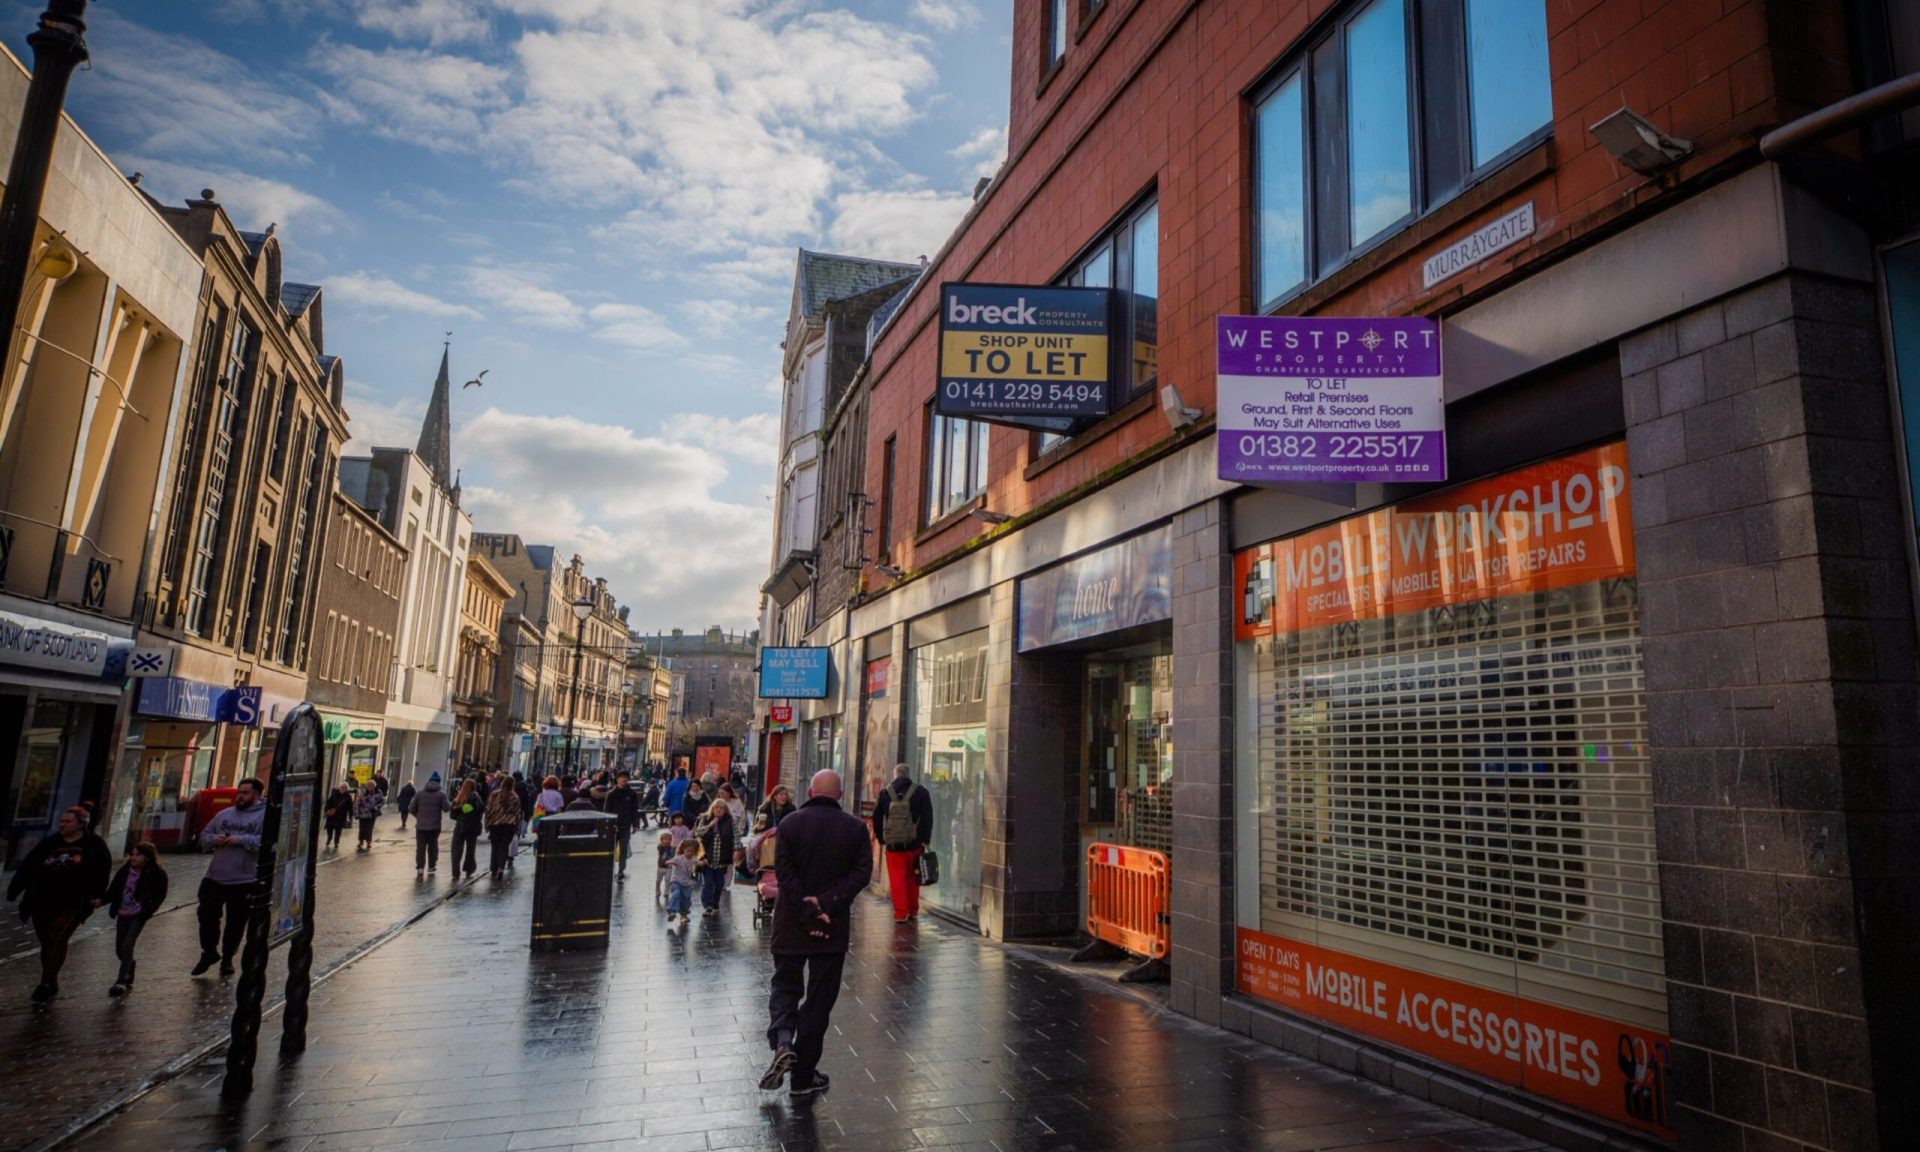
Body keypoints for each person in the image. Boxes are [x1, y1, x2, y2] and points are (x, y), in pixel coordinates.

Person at [760, 770, 872, 1100]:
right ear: (840, 794)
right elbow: (861, 874)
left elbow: (784, 873)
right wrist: (826, 903)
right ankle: (803, 1076)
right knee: (819, 1000)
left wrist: (806, 907)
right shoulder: (855, 828)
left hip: (791, 922)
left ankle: (782, 1042)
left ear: (810, 790)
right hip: (831, 926)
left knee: (785, 985)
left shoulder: (790, 824)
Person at [6, 806, 112, 1002]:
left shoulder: (93, 845)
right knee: (47, 941)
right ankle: (51, 979)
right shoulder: (50, 843)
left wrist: (97, 896)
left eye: (67, 822)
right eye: (61, 821)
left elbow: (102, 871)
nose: (62, 825)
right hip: (42, 900)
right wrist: (15, 889)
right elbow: (28, 866)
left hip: (71, 902)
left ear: (81, 824)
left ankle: (46, 982)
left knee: (57, 938)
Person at [194, 777, 266, 977]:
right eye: (239, 792)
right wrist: (213, 840)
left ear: (257, 794)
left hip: (244, 879)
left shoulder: (265, 816)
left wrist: (240, 839)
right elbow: (204, 837)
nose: (240, 797)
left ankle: (227, 958)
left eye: (246, 793)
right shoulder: (224, 814)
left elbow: (268, 842)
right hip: (215, 876)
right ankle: (209, 951)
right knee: (206, 915)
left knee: (236, 922)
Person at [870, 764, 933, 923]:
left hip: (893, 845)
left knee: (897, 878)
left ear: (895, 775)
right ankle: (913, 910)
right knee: (913, 877)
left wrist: (881, 838)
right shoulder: (921, 792)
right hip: (915, 843)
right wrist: (925, 839)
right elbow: (927, 818)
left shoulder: (885, 793)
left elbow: (876, 817)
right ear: (908, 775)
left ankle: (900, 913)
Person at [104, 842, 168, 996]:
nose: (133, 858)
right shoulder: (124, 871)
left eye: (138, 855)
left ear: (146, 857)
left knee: (127, 944)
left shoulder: (156, 873)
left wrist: (149, 909)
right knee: (119, 948)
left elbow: (160, 893)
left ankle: (121, 980)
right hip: (123, 911)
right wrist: (102, 901)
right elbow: (114, 890)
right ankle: (129, 964)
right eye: (132, 854)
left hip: (139, 913)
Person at [694, 800, 735, 917]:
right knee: (708, 883)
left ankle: (715, 903)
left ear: (725, 810)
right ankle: (708, 906)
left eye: (721, 808)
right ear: (712, 809)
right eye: (716, 808)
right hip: (707, 858)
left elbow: (735, 837)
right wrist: (710, 825)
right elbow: (698, 834)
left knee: (719, 883)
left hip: (722, 859)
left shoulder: (729, 821)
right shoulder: (706, 819)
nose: (718, 810)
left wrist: (736, 851)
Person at [409, 771, 452, 876]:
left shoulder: (419, 794)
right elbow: (446, 808)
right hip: (435, 826)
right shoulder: (441, 794)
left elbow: (411, 808)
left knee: (420, 847)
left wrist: (418, 817)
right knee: (433, 846)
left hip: (421, 826)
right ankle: (431, 866)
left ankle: (420, 867)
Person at [604, 773, 642, 881]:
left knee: (624, 849)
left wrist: (635, 824)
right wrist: (611, 824)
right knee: (611, 849)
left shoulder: (631, 794)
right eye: (622, 779)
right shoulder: (611, 794)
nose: (624, 782)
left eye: (626, 780)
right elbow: (607, 810)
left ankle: (621, 870)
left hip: (625, 825)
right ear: (617, 780)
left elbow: (635, 810)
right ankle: (610, 869)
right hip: (614, 826)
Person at [483, 780, 523, 880]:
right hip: (509, 825)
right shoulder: (514, 797)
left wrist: (487, 823)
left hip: (495, 824)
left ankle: (493, 868)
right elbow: (517, 813)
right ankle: (501, 867)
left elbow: (488, 810)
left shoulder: (494, 794)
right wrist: (517, 827)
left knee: (495, 846)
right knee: (504, 846)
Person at [448, 777, 483, 880]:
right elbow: (480, 809)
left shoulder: (458, 797)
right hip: (472, 828)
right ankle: (468, 870)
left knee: (456, 850)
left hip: (459, 827)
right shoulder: (475, 796)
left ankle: (455, 873)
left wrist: (461, 814)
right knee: (470, 849)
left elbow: (452, 815)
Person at [664, 838, 699, 927]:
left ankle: (684, 915)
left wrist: (704, 862)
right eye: (688, 851)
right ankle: (672, 911)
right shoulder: (679, 858)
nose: (689, 853)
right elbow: (671, 861)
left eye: (692, 851)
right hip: (676, 881)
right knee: (676, 893)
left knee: (686, 900)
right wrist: (669, 862)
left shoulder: (694, 859)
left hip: (686, 883)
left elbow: (699, 863)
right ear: (683, 850)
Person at [353, 780, 384, 851]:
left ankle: (368, 842)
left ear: (374, 786)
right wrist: (356, 813)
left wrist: (376, 808)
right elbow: (357, 802)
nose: (369, 787)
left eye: (371, 786)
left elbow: (382, 802)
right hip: (362, 813)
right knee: (362, 828)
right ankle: (361, 842)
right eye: (368, 786)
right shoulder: (363, 792)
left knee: (369, 828)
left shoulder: (378, 792)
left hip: (372, 813)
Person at [323, 783, 354, 851]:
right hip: (332, 815)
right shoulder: (334, 794)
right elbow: (328, 802)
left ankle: (336, 842)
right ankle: (329, 838)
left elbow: (350, 807)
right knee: (329, 828)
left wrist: (351, 816)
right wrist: (327, 810)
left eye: (344, 788)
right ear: (339, 788)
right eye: (341, 787)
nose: (342, 789)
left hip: (341, 816)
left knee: (338, 830)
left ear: (346, 789)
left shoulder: (348, 796)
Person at [655, 831, 675, 899]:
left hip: (668, 867)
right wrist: (664, 845)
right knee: (658, 880)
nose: (667, 841)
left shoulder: (671, 848)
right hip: (661, 866)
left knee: (667, 879)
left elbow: (672, 856)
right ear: (661, 840)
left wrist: (672, 863)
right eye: (665, 839)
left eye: (669, 839)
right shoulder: (660, 847)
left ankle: (666, 891)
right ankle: (657, 888)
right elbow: (659, 849)